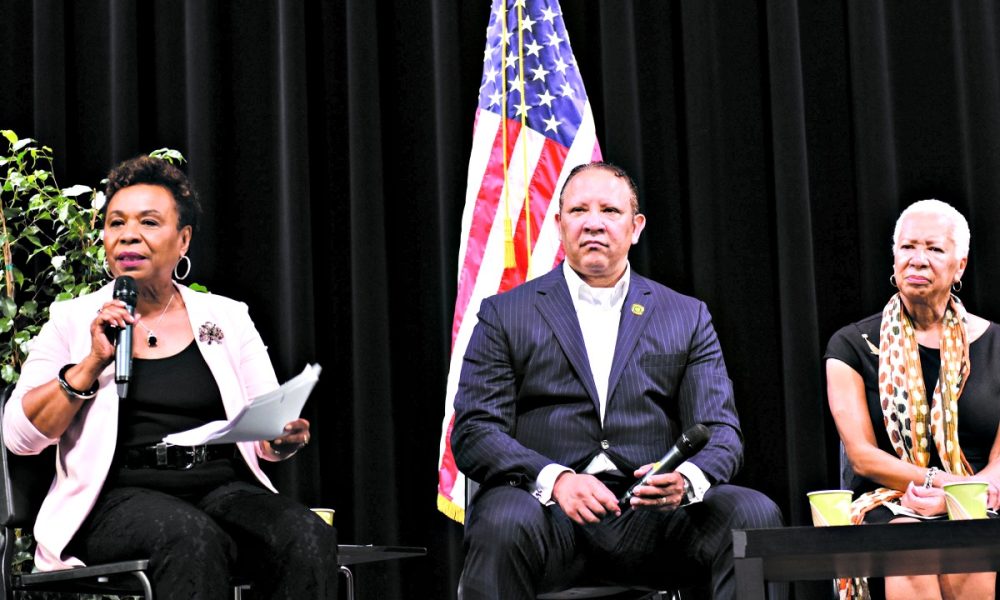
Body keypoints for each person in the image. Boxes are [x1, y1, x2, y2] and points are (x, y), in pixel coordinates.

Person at [3, 156, 338, 599]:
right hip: (113, 498)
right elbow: (19, 437)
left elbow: (266, 429)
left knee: (306, 534)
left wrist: (279, 440)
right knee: (188, 537)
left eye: (148, 222)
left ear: (183, 241)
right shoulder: (71, 319)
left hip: (219, 487)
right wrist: (90, 364)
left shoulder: (227, 317)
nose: (128, 234)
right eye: (116, 222)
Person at [451, 162, 784, 599]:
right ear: (558, 224)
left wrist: (685, 480)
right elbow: (475, 431)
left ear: (636, 226)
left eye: (610, 210)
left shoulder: (685, 315)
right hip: (548, 514)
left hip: (654, 520)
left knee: (752, 513)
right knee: (500, 519)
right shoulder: (506, 313)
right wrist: (556, 479)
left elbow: (721, 432)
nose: (593, 223)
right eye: (578, 211)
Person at [825, 199, 1000, 599]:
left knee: (971, 538)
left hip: (983, 500)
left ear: (961, 265)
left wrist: (961, 496)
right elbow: (862, 456)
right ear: (893, 257)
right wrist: (942, 484)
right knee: (910, 544)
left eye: (935, 249)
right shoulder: (850, 345)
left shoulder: (997, 345)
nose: (918, 260)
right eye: (908, 247)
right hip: (889, 501)